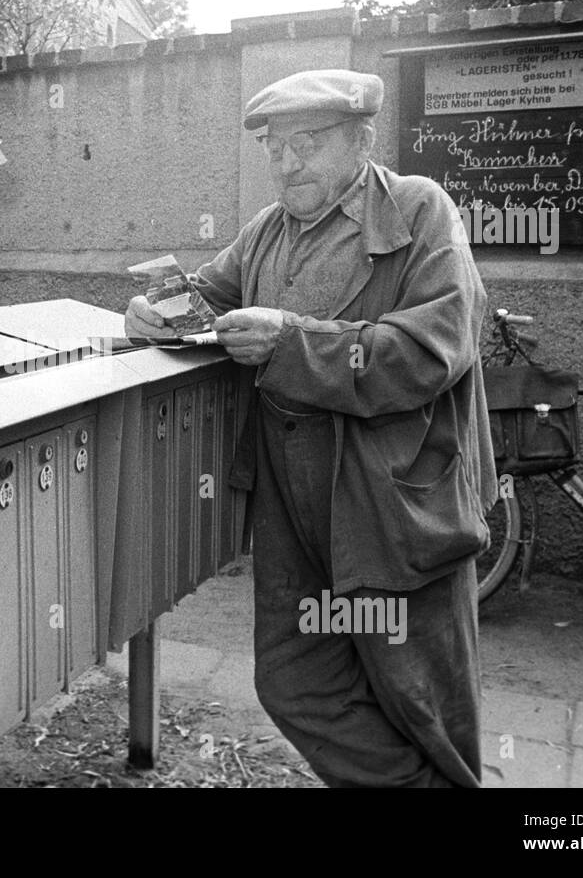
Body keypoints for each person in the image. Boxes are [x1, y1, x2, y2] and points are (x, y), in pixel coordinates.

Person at [124, 69, 497, 787]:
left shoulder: (421, 210)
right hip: (293, 506)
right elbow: (207, 297)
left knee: (418, 694)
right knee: (297, 679)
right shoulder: (267, 231)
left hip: (392, 505)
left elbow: (432, 350)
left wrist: (291, 340)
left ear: (362, 140)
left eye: (309, 144)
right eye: (276, 148)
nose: (287, 164)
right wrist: (154, 312)